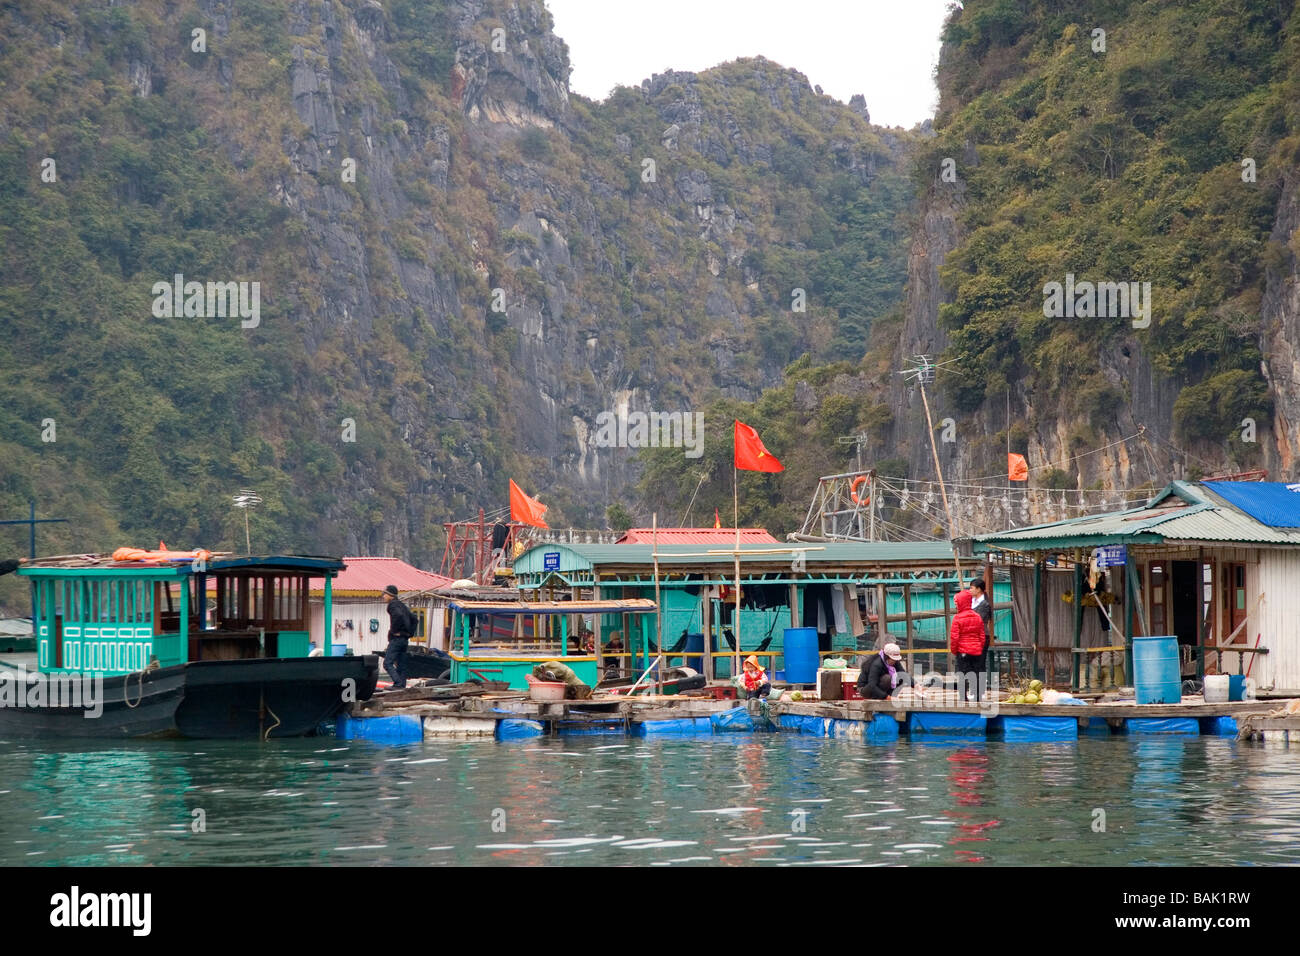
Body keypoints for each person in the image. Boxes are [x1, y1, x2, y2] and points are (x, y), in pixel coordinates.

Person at [950, 590, 986, 702]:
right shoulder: (977, 617)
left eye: (957, 604)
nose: (956, 606)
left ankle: (963, 697)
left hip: (963, 652)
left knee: (963, 674)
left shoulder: (957, 618)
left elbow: (954, 637)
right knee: (977, 673)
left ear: (961, 603)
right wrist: (979, 647)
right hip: (976, 652)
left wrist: (955, 651)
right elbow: (982, 636)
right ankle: (978, 696)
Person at [382, 584, 416, 689]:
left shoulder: (392, 605)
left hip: (397, 639)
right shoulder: (402, 605)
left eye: (385, 593)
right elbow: (414, 619)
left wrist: (394, 631)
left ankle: (397, 683)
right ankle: (402, 685)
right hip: (404, 640)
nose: (383, 595)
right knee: (401, 664)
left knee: (387, 663)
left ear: (390, 595)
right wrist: (410, 633)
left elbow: (398, 616)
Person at [969, 578, 994, 670]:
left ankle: (981, 683)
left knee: (979, 663)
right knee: (971, 663)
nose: (970, 590)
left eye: (972, 588)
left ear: (978, 589)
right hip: (972, 636)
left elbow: (977, 620)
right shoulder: (971, 601)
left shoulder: (984, 604)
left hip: (981, 636)